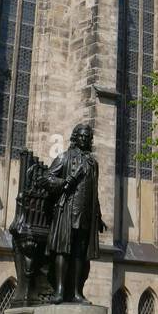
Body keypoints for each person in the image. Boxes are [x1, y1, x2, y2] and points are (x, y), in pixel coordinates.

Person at [45, 123, 106, 304]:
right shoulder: (64, 157)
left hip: (86, 215)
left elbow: (94, 192)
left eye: (88, 136)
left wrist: (99, 216)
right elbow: (47, 178)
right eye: (82, 135)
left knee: (80, 253)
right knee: (63, 251)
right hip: (67, 212)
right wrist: (64, 183)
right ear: (75, 137)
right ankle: (60, 291)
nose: (85, 138)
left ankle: (77, 292)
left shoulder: (92, 163)